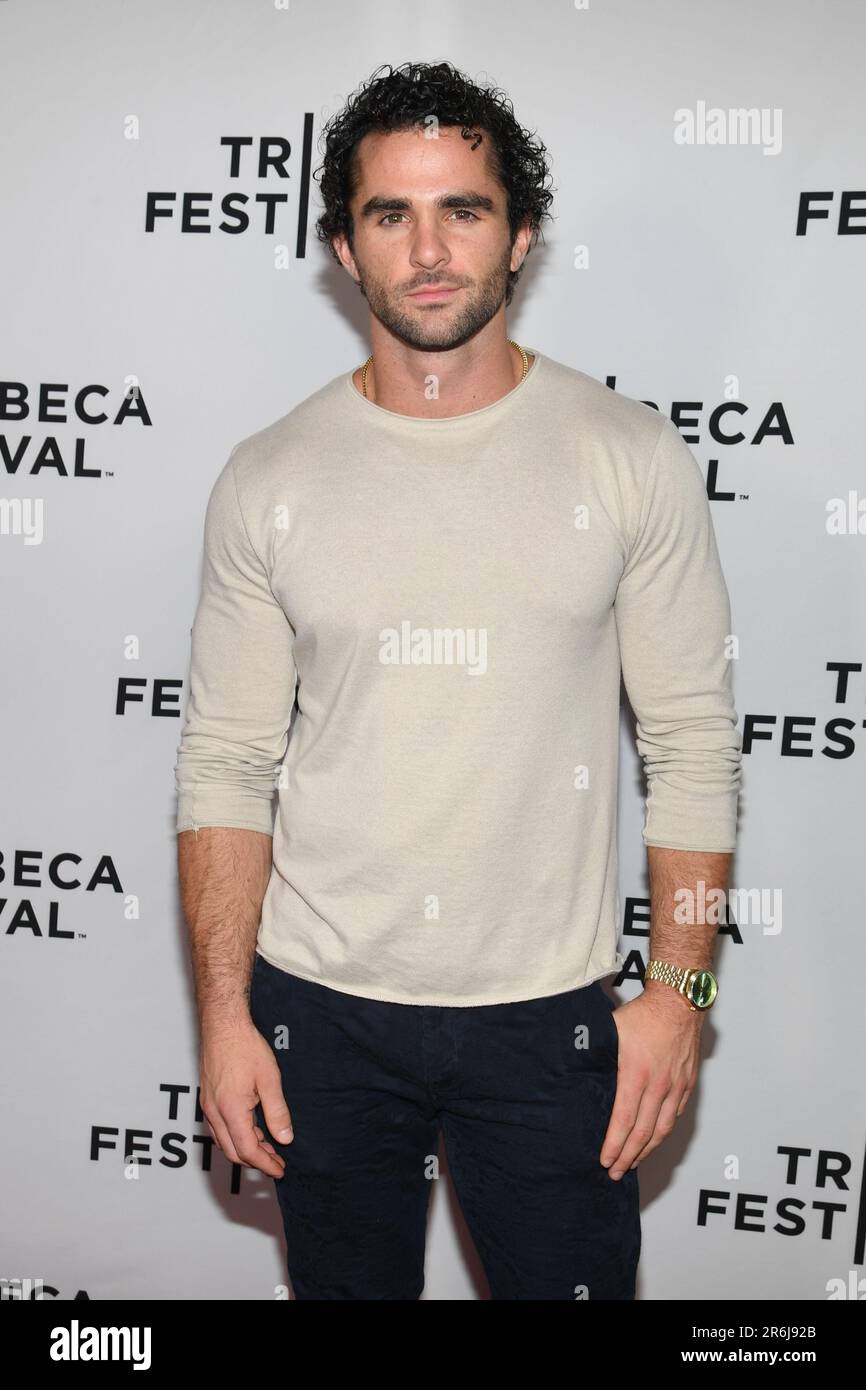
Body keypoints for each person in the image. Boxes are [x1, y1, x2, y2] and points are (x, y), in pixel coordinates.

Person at [174, 60, 742, 1300]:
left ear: (519, 234)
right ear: (342, 246)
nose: (427, 250)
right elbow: (225, 762)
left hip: (550, 1018)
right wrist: (223, 1017)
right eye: (390, 214)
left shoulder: (629, 457)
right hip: (315, 1011)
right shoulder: (268, 475)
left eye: (462, 210)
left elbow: (691, 745)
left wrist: (678, 995)